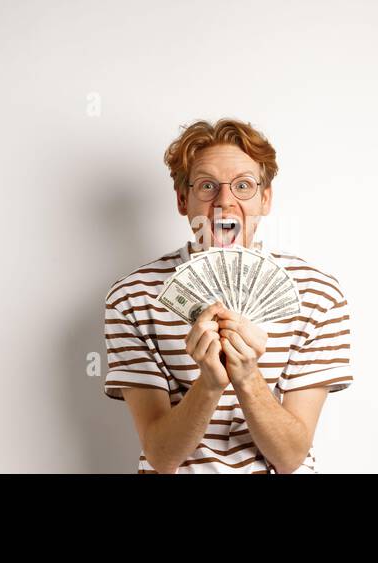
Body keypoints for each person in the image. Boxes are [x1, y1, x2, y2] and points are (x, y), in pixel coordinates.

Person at [102, 118, 353, 474]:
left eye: (243, 186)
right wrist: (208, 384)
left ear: (265, 200)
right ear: (182, 199)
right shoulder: (132, 298)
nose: (224, 202)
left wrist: (248, 377)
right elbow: (162, 456)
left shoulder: (317, 295)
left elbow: (290, 457)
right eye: (207, 186)